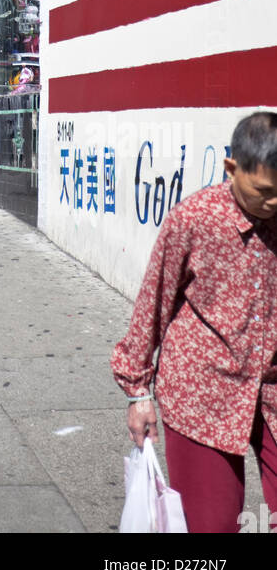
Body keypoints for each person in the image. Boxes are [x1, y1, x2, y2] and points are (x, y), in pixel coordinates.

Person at [111, 111, 277, 534]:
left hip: (273, 386)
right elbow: (154, 302)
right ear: (232, 169)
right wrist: (137, 392)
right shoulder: (195, 219)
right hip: (202, 390)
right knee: (213, 525)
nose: (274, 203)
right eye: (264, 191)